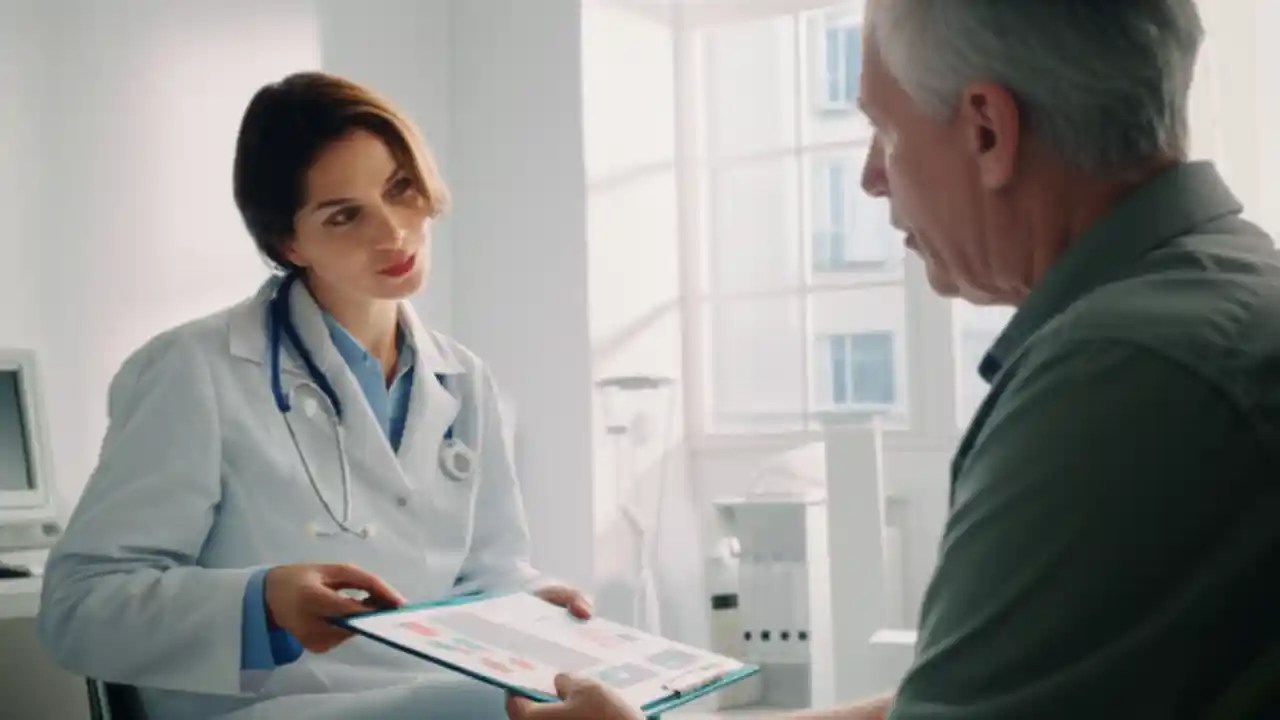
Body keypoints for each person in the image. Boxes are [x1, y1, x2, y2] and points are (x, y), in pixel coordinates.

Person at [507, 1, 1280, 719]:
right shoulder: (1216, 292)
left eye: (886, 131)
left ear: (986, 130)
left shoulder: (1117, 379)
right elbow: (981, 690)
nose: (872, 176)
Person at [38, 71, 590, 720]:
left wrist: (534, 604)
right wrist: (262, 602)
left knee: (594, 698)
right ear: (288, 242)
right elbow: (79, 610)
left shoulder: (463, 380)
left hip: (427, 695)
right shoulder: (194, 370)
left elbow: (484, 574)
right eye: (345, 214)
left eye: (400, 188)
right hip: (273, 709)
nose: (394, 233)